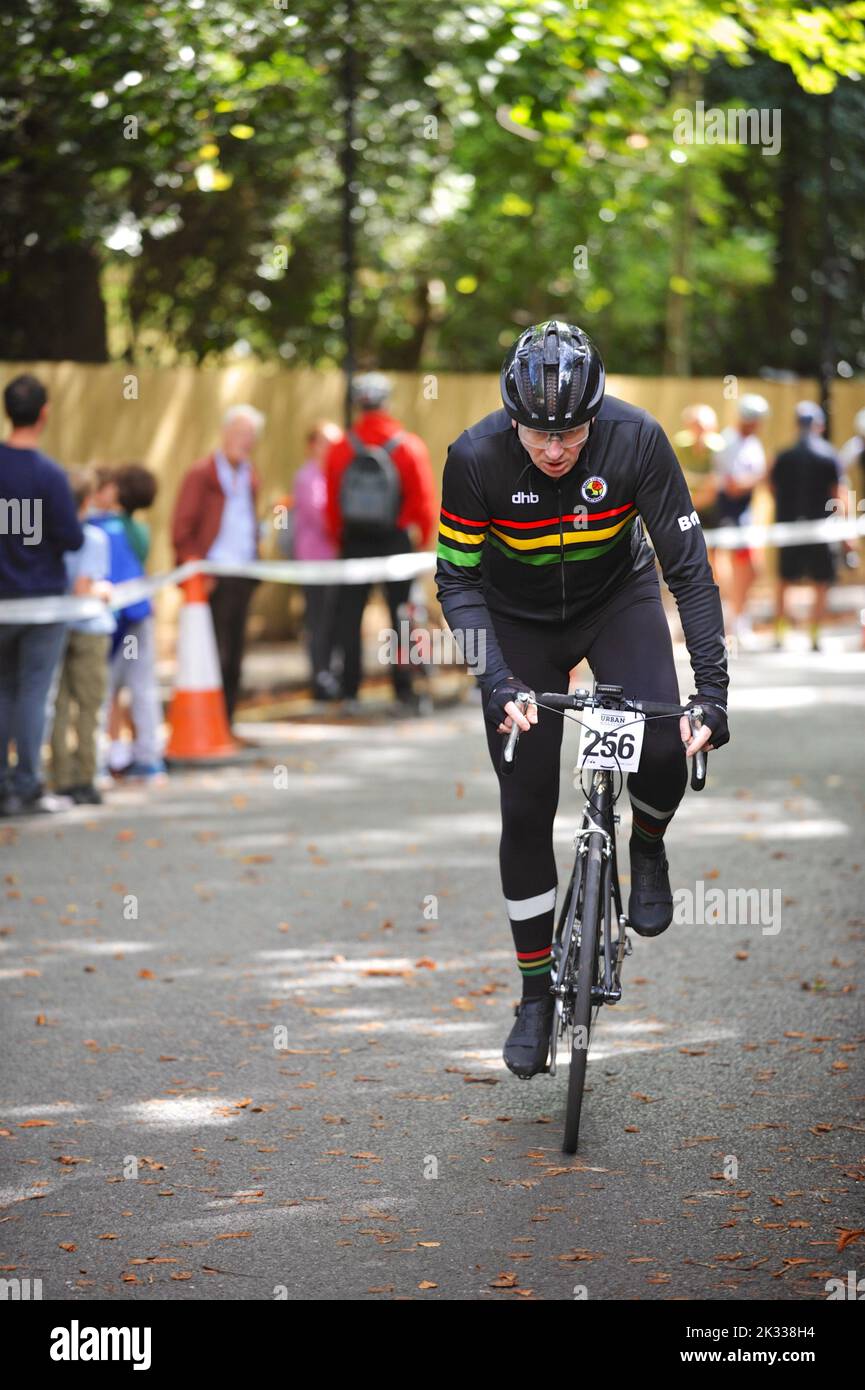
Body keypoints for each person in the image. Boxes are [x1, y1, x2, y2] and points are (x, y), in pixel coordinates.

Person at [434, 321, 729, 1079]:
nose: (555, 448)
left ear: (596, 414)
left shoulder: (637, 440)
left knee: (663, 746)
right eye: (538, 432)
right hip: (514, 620)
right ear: (511, 416)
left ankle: (648, 845)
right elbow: (456, 581)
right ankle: (535, 995)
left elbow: (688, 572)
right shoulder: (473, 458)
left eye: (569, 432)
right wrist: (495, 679)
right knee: (525, 802)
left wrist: (711, 692)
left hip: (614, 598)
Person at [325, 374, 436, 711]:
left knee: (349, 617)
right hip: (396, 541)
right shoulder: (408, 445)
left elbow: (331, 503)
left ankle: (349, 691)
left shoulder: (342, 447)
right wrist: (418, 541)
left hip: (353, 541)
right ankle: (403, 689)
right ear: (387, 402)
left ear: (359, 404)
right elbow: (424, 501)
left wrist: (339, 539)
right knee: (402, 615)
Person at [0, 374, 83, 816]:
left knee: (3, 690)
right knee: (33, 693)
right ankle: (27, 784)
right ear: (45, 412)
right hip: (41, 602)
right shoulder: (49, 475)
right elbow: (72, 537)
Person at [172, 405, 264, 723]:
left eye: (251, 435)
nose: (246, 441)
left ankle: (228, 720)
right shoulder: (201, 474)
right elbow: (182, 530)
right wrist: (197, 570)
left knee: (236, 653)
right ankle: (208, 723)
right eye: (240, 433)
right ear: (225, 434)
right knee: (213, 652)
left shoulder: (250, 475)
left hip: (244, 572)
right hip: (213, 575)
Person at [89, 464, 165, 781]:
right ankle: (148, 756)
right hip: (138, 619)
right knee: (141, 686)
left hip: (112, 622)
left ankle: (102, 760)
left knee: (104, 690)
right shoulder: (139, 532)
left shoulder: (100, 528)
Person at [50, 467, 115, 803]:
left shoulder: (49, 536)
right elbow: (83, 587)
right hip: (88, 627)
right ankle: (86, 776)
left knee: (59, 704)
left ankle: (59, 775)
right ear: (88, 501)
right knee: (89, 705)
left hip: (56, 626)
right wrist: (104, 591)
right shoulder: (92, 538)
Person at [770, 402, 842, 651]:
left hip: (789, 527)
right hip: (820, 529)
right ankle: (814, 635)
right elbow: (837, 495)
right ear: (819, 425)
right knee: (821, 581)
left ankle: (780, 633)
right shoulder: (829, 455)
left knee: (784, 579)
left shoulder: (783, 456)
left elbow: (772, 488)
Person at [293, 421, 343, 701]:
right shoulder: (308, 477)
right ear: (313, 445)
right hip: (315, 561)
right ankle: (319, 675)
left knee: (333, 620)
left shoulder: (333, 475)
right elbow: (320, 516)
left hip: (333, 561)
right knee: (318, 621)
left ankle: (330, 673)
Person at [714, 394, 770, 641]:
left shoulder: (752, 443)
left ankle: (736, 617)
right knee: (736, 568)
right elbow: (734, 486)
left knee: (750, 569)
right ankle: (732, 619)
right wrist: (763, 475)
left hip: (744, 513)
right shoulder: (730, 442)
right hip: (729, 512)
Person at [672, 403, 726, 542]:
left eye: (702, 426)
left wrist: (690, 503)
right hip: (687, 506)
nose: (699, 430)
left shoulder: (719, 449)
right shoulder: (680, 445)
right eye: (694, 425)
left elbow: (714, 488)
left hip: (712, 509)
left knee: (714, 550)